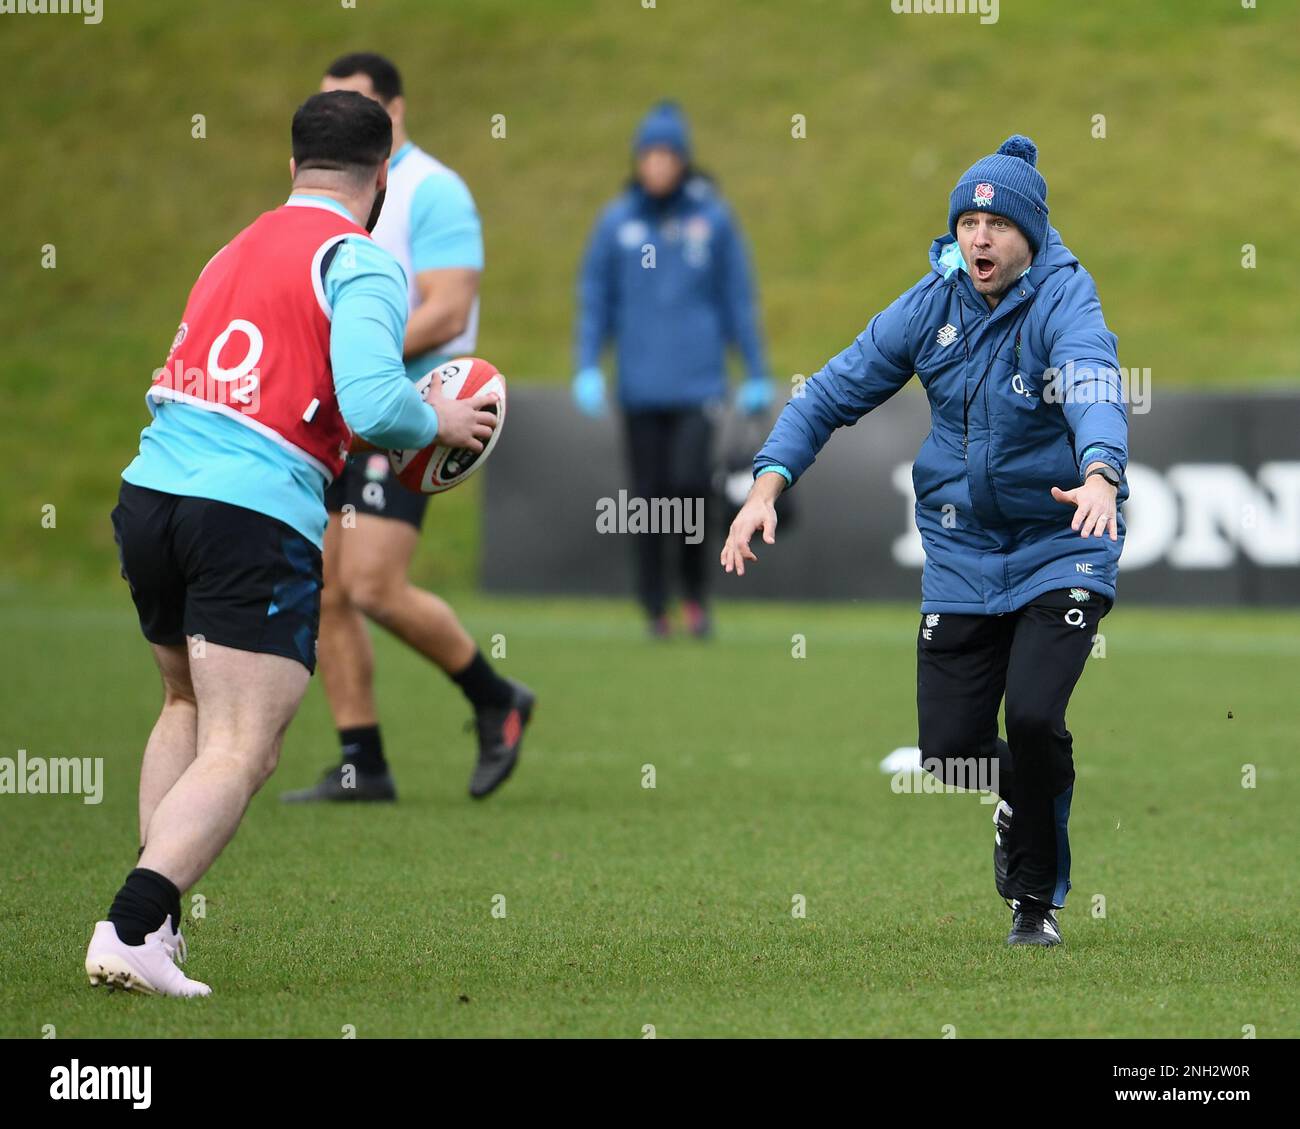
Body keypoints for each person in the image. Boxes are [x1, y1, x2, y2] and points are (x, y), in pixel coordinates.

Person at [87, 91, 499, 996]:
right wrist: (439, 415)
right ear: (382, 178)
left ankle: (158, 928)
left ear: (291, 169)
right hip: (248, 509)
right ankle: (130, 926)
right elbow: (372, 400)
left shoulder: (235, 244)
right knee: (246, 744)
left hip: (153, 489)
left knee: (184, 703)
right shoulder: (359, 257)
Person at [721, 135, 1128, 948]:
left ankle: (1033, 897)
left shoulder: (1064, 298)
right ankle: (1021, 788)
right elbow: (832, 391)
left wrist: (1102, 472)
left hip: (1062, 538)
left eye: (998, 223)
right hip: (962, 549)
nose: (980, 237)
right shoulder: (929, 304)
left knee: (1038, 716)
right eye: (968, 221)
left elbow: (1092, 378)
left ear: (1032, 234)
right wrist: (768, 482)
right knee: (949, 752)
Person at [281, 53, 533, 805]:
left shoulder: (433, 189)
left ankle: (496, 697)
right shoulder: (333, 186)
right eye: (324, 106)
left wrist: (360, 359)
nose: (336, 122)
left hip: (416, 410)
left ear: (395, 110)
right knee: (324, 586)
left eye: (352, 106)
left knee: (372, 583)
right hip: (343, 411)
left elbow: (450, 309)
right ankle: (364, 761)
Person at [574, 100, 773, 638]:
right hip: (640, 387)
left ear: (682, 160)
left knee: (688, 489)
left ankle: (695, 596)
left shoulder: (712, 220)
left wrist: (756, 369)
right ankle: (653, 604)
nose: (657, 165)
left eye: (667, 155)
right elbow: (596, 298)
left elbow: (738, 298)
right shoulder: (617, 223)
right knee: (647, 498)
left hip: (698, 385)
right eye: (649, 155)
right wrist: (587, 363)